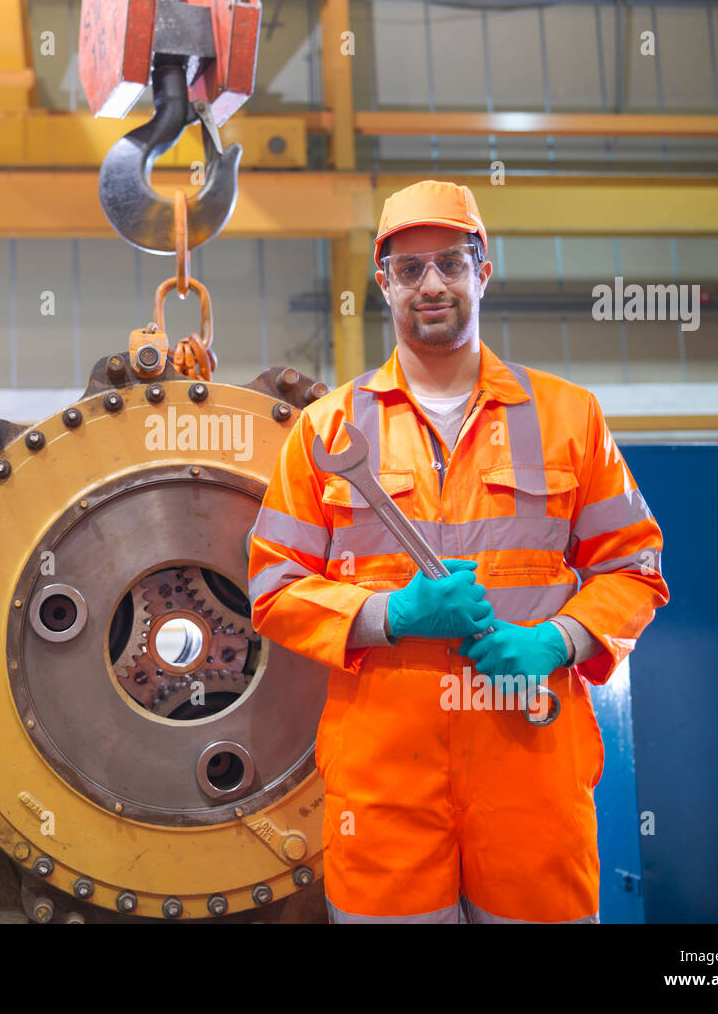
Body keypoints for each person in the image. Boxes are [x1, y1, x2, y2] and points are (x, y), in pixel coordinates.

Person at [248, 180, 669, 924]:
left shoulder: (570, 417)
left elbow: (633, 569)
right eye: (409, 270)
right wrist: (392, 612)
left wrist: (555, 639)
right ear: (383, 284)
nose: (431, 284)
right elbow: (274, 588)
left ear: (484, 268)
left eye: (450, 262)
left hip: (531, 772)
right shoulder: (324, 432)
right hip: (384, 790)